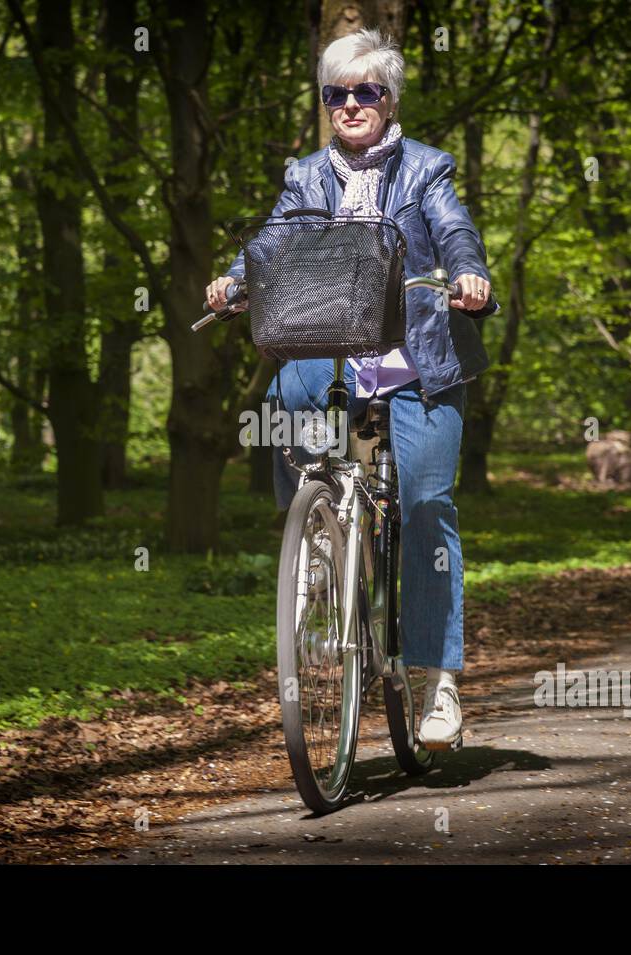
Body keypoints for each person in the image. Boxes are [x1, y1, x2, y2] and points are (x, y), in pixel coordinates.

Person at [205, 27, 497, 749]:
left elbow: (455, 231)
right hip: (335, 357)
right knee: (290, 381)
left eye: (365, 91)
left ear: (389, 98)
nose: (351, 104)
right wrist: (240, 281)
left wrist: (468, 275)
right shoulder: (306, 175)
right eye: (337, 93)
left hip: (417, 362)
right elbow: (275, 240)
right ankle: (317, 538)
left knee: (427, 503)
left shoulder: (427, 169)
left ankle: (439, 685)